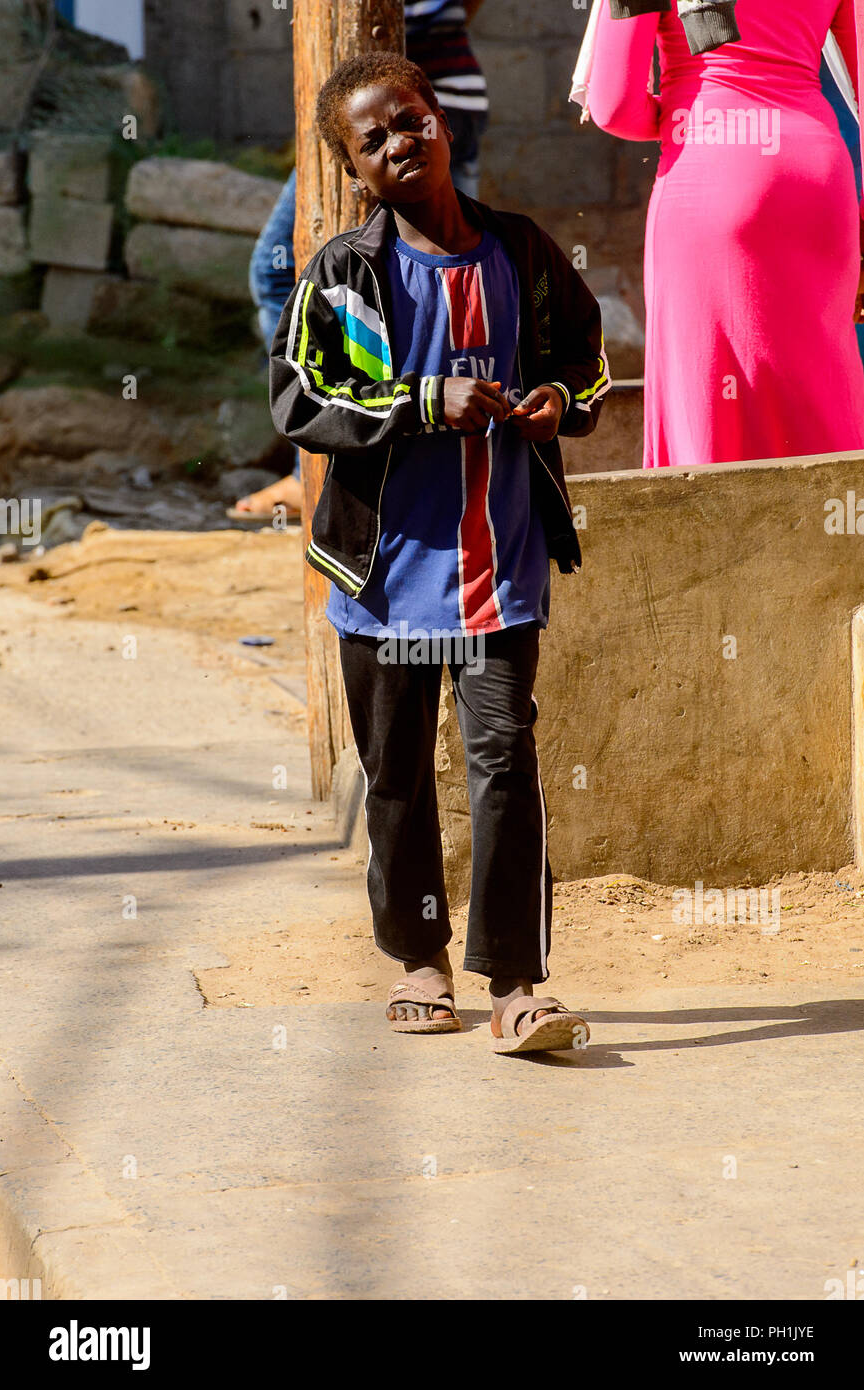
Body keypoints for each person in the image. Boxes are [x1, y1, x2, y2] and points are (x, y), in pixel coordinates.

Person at [269, 51, 610, 1053]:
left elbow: (581, 362)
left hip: (499, 572)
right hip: (384, 581)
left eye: (407, 120)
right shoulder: (348, 273)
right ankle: (418, 960)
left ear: (440, 122)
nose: (395, 144)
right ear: (355, 172)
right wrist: (425, 401)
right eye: (369, 141)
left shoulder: (522, 252)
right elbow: (300, 402)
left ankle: (516, 983)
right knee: (400, 777)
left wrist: (558, 405)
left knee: (505, 763)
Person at [581, 0, 864, 469]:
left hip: (709, 171)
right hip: (819, 181)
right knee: (821, 395)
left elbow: (612, 106)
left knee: (712, 409)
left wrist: (689, 109)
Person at [235, 1, 489, 521]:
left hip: (413, 98)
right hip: (405, 99)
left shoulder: (527, 247)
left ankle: (349, 460)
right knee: (424, 285)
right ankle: (357, 443)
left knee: (442, 285)